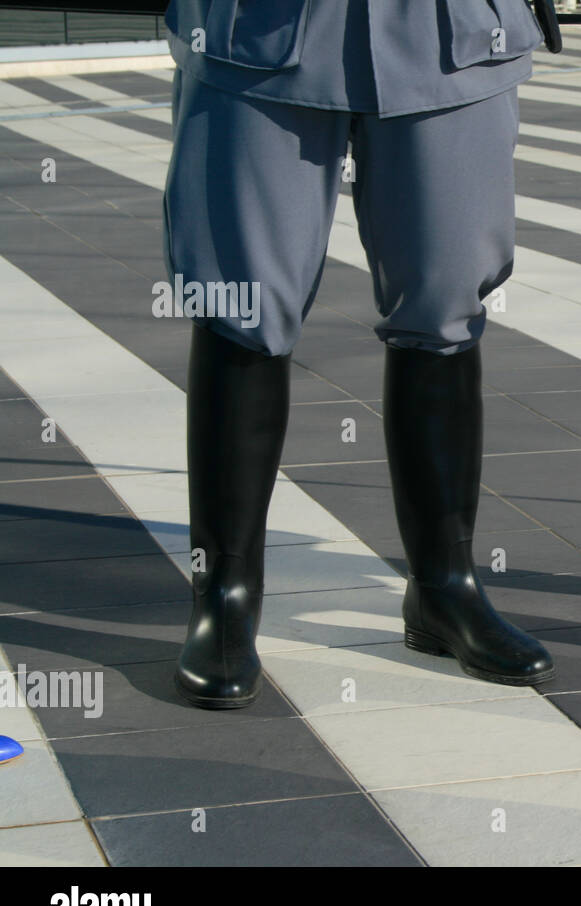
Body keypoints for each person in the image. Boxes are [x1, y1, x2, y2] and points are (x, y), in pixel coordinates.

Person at [163, 0, 559, 708]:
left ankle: (445, 588)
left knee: (447, 295)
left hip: (452, 35)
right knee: (242, 300)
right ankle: (225, 593)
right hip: (258, 30)